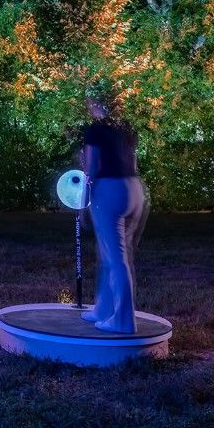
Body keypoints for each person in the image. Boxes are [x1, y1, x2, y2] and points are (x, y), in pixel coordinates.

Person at [78, 85, 149, 333]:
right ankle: (104, 309)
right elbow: (133, 161)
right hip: (134, 189)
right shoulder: (126, 129)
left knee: (115, 258)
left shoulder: (95, 130)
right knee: (111, 253)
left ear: (95, 104)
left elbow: (91, 167)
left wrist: (83, 203)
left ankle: (123, 321)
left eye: (90, 102)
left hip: (109, 190)